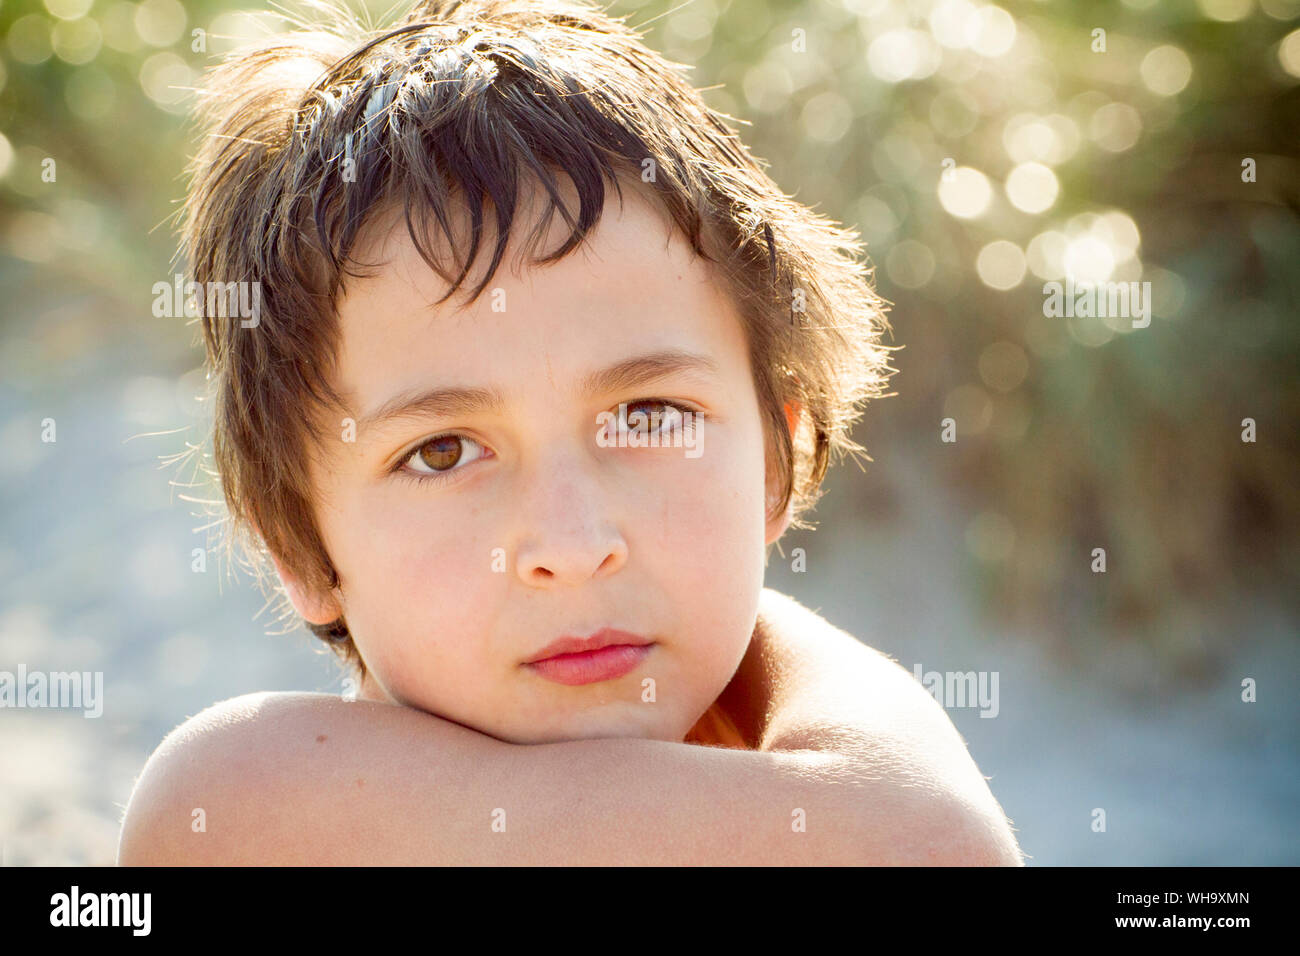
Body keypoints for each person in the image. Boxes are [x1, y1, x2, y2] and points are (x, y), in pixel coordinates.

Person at [117, 0, 1023, 865]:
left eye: (650, 416)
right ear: (301, 549)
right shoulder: (239, 808)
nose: (573, 546)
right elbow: (931, 848)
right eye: (442, 452)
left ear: (777, 463)